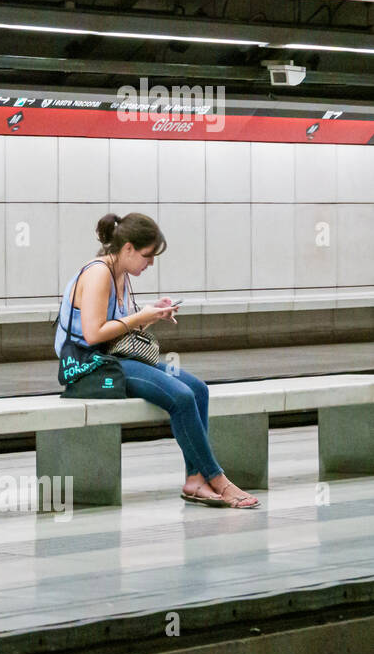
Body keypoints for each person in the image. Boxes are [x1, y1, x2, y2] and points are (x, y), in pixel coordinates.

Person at [55, 213, 260, 508]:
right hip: (89, 365)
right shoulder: (99, 273)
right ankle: (219, 481)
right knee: (181, 396)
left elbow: (121, 329)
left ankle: (194, 481)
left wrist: (153, 316)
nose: (149, 263)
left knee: (198, 389)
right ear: (127, 248)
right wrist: (142, 316)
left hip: (112, 356)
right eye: (147, 255)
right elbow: (94, 333)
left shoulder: (120, 274)